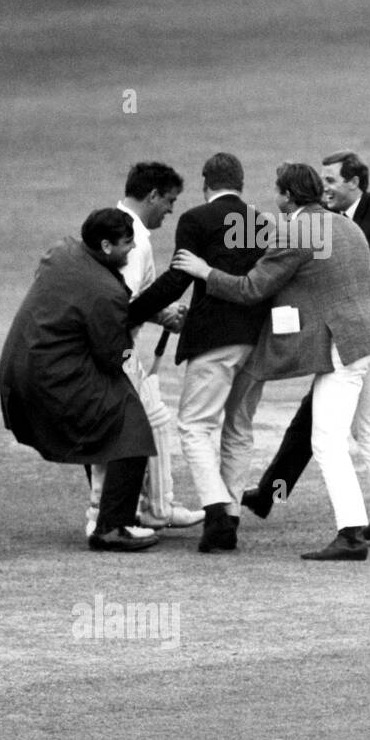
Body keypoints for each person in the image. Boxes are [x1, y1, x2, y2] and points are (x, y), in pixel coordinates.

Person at [172, 163, 370, 560]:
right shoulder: (348, 225)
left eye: (277, 193)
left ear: (288, 196)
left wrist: (204, 271)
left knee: (326, 440)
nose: (274, 201)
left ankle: (351, 535)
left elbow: (251, 288)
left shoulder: (294, 231)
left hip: (344, 344)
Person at [241, 151, 370, 536]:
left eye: (331, 180)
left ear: (355, 183)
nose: (325, 186)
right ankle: (273, 494)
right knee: (324, 426)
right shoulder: (337, 225)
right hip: (365, 336)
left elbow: (364, 272)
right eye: (321, 181)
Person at [129, 152, 271, 553]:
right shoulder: (261, 223)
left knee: (195, 426)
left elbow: (177, 278)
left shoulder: (196, 220)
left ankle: (219, 512)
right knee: (239, 427)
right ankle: (231, 515)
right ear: (240, 183)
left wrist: (131, 312)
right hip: (258, 340)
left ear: (207, 182)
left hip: (215, 338)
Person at [0, 208, 159, 552]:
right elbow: (110, 355)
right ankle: (112, 527)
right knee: (132, 427)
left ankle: (107, 516)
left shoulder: (61, 251)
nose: (131, 251)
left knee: (113, 418)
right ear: (105, 246)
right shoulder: (105, 290)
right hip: (54, 376)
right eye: (126, 244)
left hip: (22, 367)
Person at [88, 163, 202, 536]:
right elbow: (122, 304)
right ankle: (138, 511)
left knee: (144, 422)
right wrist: (162, 313)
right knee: (141, 425)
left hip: (108, 347)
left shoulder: (113, 224)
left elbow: (131, 301)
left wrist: (163, 315)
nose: (170, 210)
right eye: (168, 201)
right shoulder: (132, 238)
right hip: (115, 351)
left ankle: (150, 507)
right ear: (152, 195)